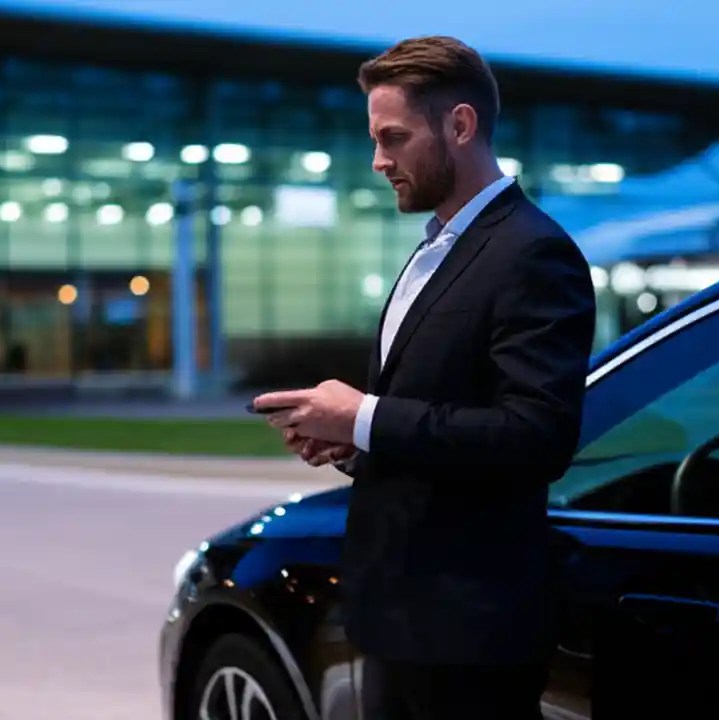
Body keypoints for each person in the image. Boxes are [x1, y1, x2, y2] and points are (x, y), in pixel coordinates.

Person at [251, 35, 596, 720]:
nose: (378, 161)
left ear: (460, 125)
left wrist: (364, 417)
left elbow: (537, 435)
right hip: (398, 624)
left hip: (470, 638)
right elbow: (438, 421)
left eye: (394, 138)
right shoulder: (433, 250)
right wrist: (355, 444)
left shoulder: (533, 252)